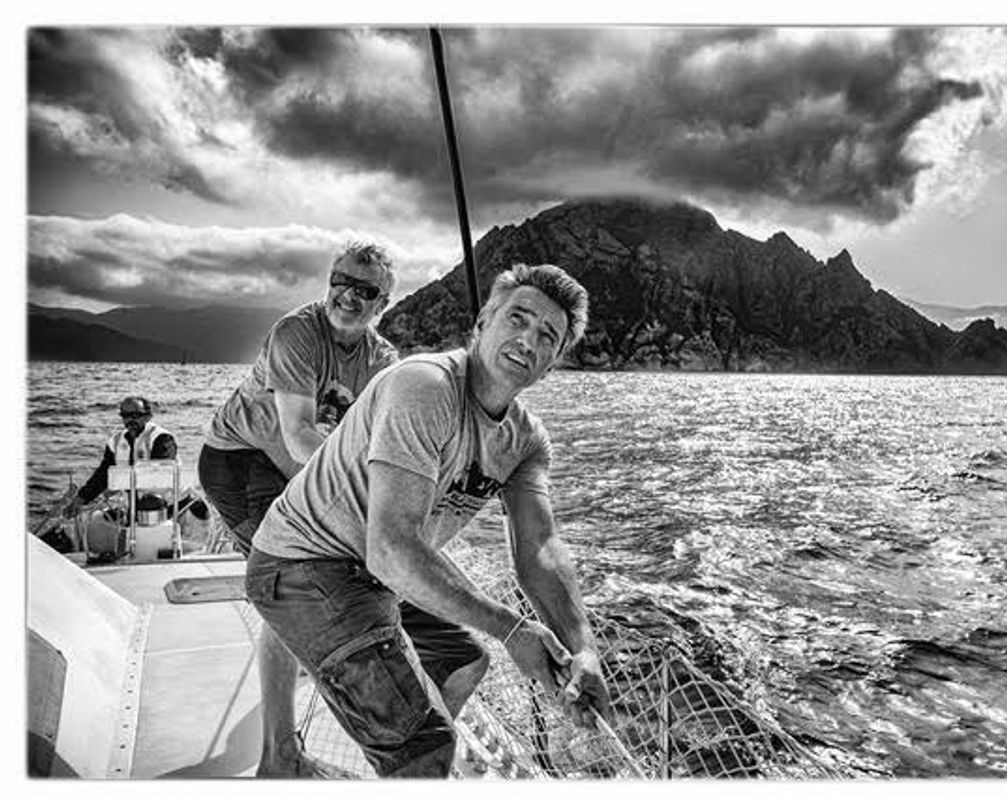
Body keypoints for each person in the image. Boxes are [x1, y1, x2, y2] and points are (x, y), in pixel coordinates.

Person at [245, 263, 611, 778]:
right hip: (303, 564)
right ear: (483, 322)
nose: (528, 339)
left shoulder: (526, 442)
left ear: (551, 365)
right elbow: (391, 547)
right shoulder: (424, 385)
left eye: (547, 336)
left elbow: (542, 552)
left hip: (377, 578)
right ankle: (389, 762)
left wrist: (584, 650)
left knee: (463, 665)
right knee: (428, 746)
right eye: (517, 319)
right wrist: (512, 631)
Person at [198, 242, 399, 777]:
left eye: (365, 291)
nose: (347, 296)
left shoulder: (384, 362)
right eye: (340, 280)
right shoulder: (298, 333)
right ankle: (278, 759)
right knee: (289, 588)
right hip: (239, 461)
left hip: (297, 470)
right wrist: (367, 495)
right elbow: (299, 434)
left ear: (382, 305)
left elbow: (383, 440)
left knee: (321, 579)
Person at [65, 395, 177, 515]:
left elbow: (161, 471)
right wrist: (81, 499)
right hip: (138, 508)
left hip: (172, 505)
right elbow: (102, 476)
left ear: (148, 417)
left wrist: (120, 483)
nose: (130, 420)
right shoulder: (116, 442)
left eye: (136, 415)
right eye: (126, 415)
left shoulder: (162, 438)